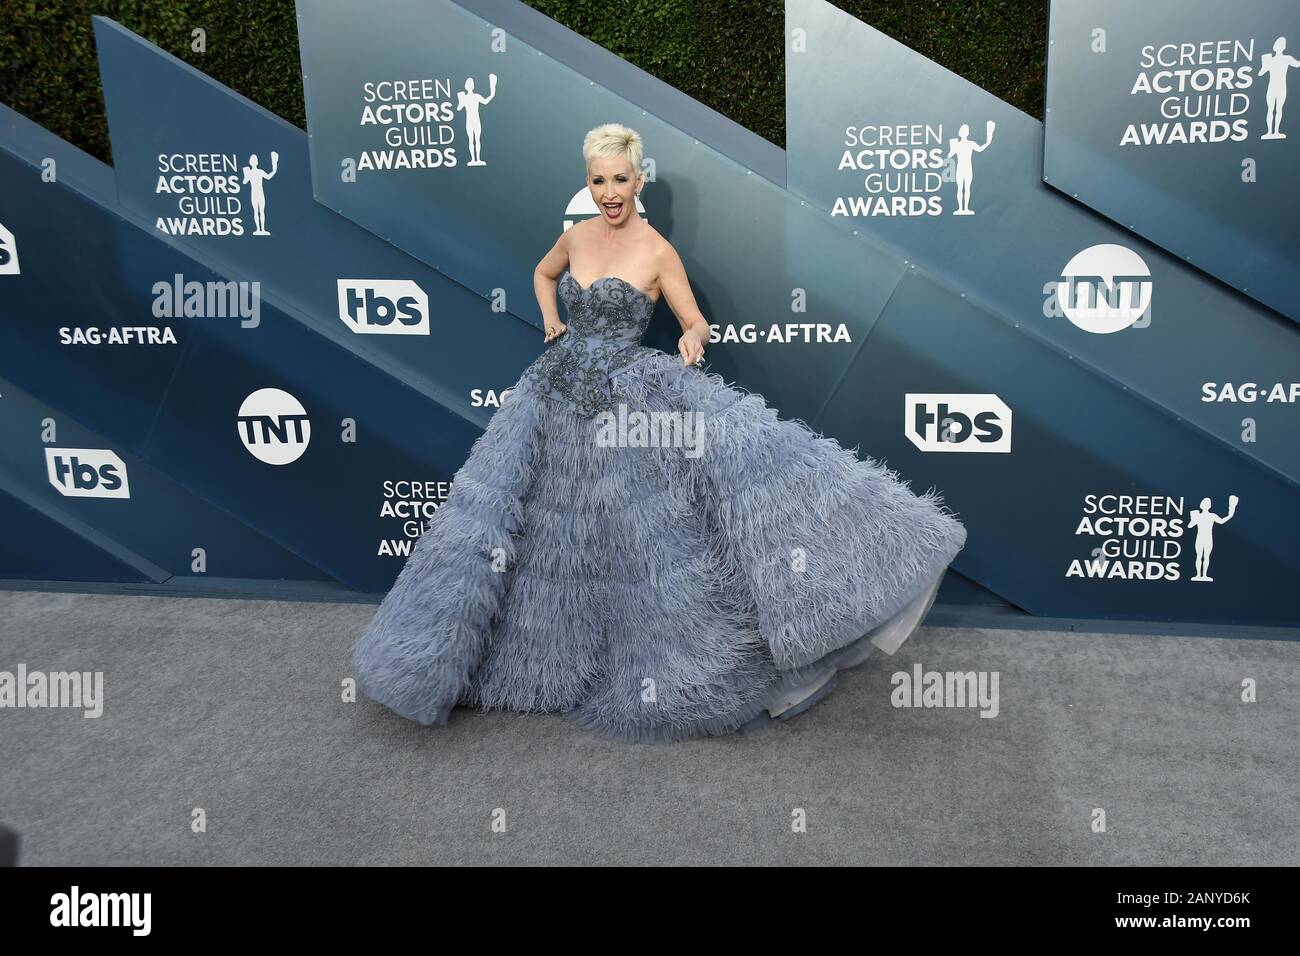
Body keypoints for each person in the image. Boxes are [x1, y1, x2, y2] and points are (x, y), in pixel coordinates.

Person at [351, 123, 968, 743]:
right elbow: (543, 275)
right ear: (588, 183)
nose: (609, 191)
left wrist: (690, 340)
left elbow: (695, 320)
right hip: (551, 396)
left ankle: (668, 657)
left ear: (639, 180)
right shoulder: (572, 237)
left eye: (620, 179)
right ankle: (523, 660)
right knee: (528, 529)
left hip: (627, 402)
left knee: (641, 534)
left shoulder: (656, 250)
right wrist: (549, 321)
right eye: (598, 180)